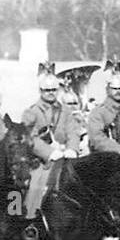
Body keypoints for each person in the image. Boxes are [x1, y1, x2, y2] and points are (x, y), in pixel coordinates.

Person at [21, 64, 86, 227]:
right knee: (35, 185)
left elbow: (73, 132)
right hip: (40, 160)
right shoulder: (31, 112)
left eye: (54, 90)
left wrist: (72, 149)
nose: (51, 93)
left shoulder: (65, 111)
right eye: (47, 90)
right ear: (41, 91)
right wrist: (49, 152)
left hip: (65, 156)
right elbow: (30, 138)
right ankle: (31, 222)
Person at [87, 72, 120, 155]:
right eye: (114, 89)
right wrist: (118, 149)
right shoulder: (98, 112)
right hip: (104, 156)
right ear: (108, 90)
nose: (118, 91)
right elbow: (97, 137)